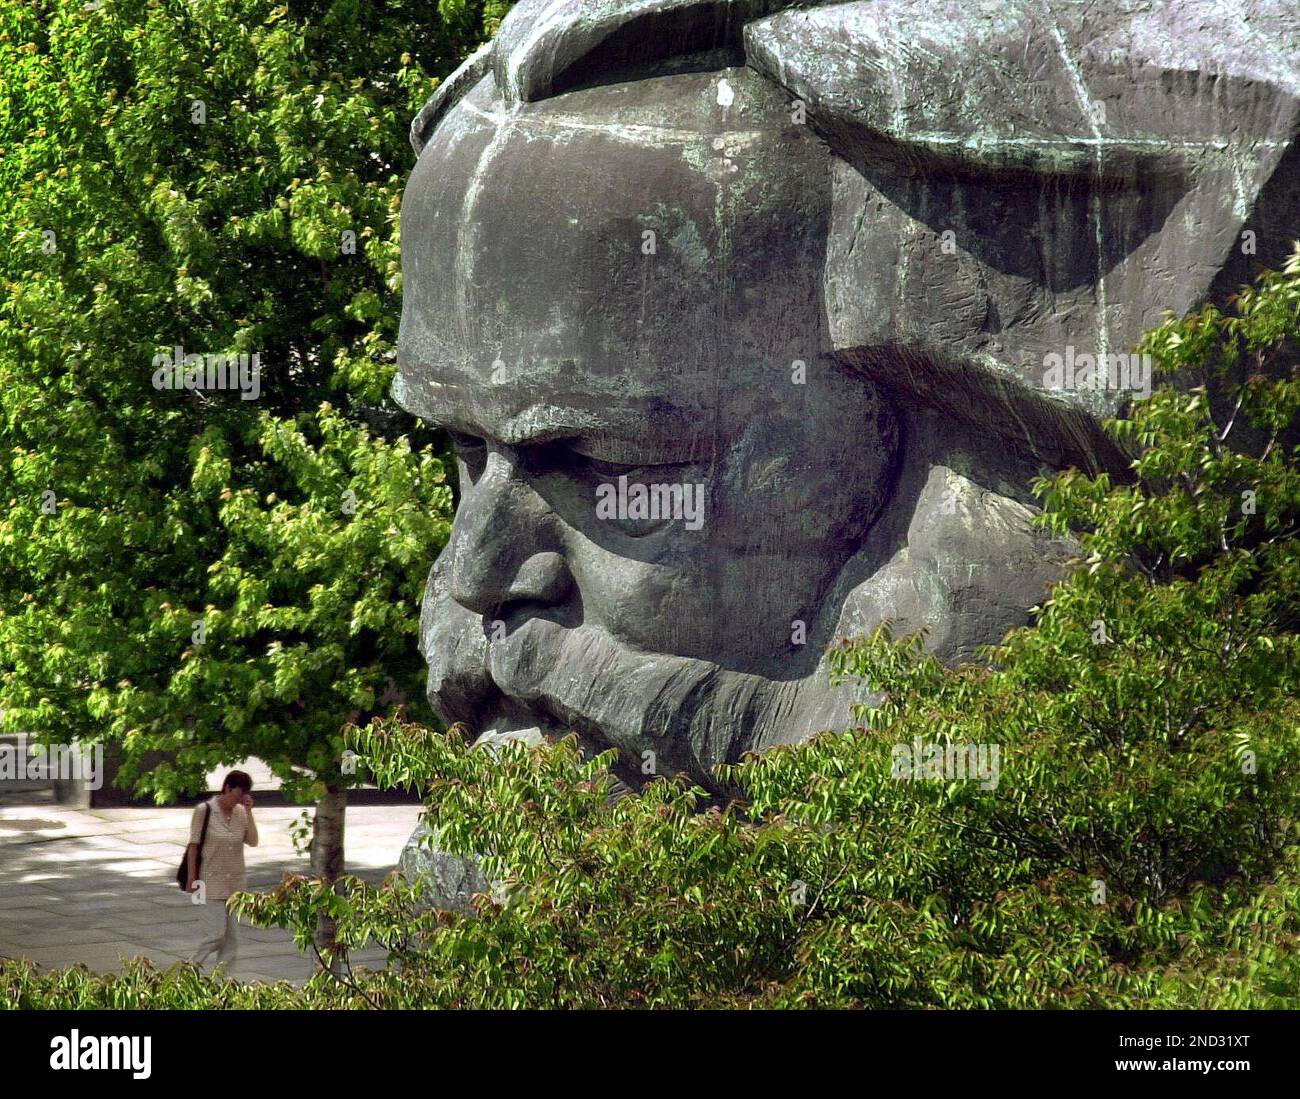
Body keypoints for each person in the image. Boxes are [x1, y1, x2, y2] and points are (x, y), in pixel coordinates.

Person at [186, 770, 258, 973]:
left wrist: (250, 813)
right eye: (237, 794)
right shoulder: (204, 810)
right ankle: (188, 969)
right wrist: (192, 878)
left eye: (243, 796)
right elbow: (194, 846)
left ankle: (223, 982)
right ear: (227, 788)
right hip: (209, 881)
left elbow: (252, 841)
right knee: (216, 934)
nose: (239, 799)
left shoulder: (241, 812)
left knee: (232, 938)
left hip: (236, 884)